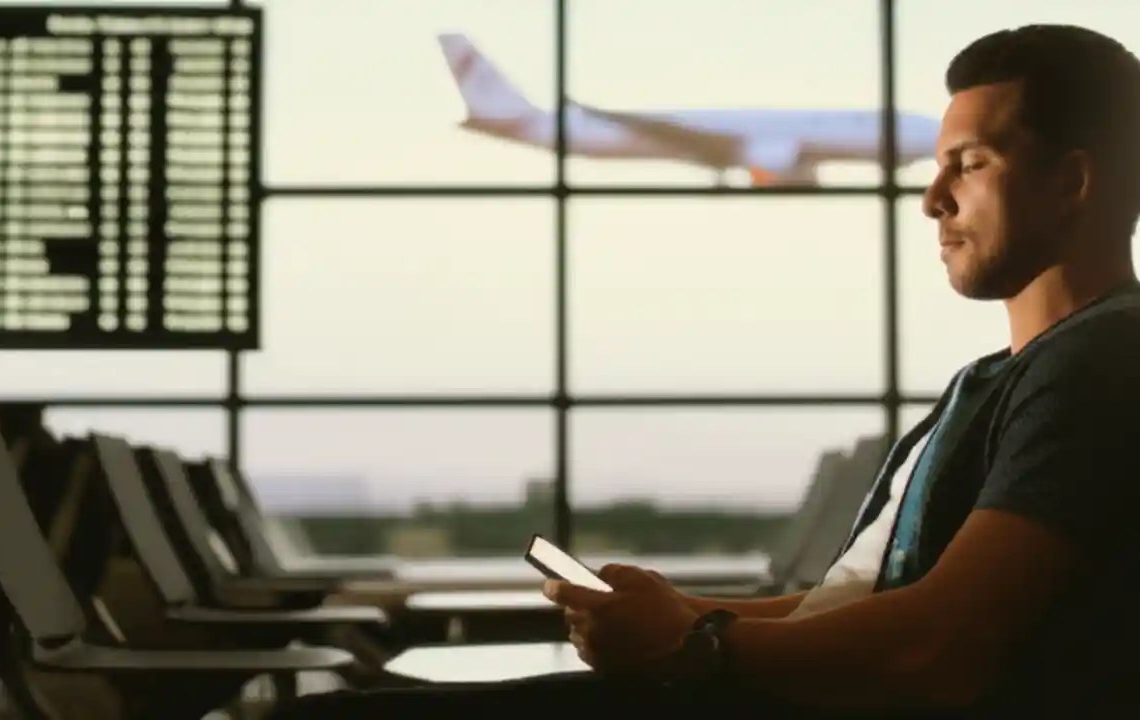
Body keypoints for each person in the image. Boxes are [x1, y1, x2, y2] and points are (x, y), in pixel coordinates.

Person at [288, 23, 1140, 718]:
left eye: (971, 164)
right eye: (937, 165)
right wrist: (680, 612)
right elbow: (856, 607)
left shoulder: (1097, 363)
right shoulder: (1002, 376)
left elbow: (939, 648)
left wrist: (693, 643)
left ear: (1073, 183)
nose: (931, 199)